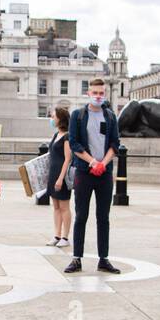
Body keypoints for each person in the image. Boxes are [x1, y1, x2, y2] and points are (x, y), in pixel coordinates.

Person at [65, 77, 120, 274]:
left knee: (103, 217)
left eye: (101, 93)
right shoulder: (78, 116)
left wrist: (103, 164)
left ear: (105, 94)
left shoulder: (111, 116)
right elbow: (74, 143)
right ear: (88, 93)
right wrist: (92, 162)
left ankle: (103, 258)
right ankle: (76, 258)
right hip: (84, 172)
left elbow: (115, 143)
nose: (98, 96)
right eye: (95, 93)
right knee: (81, 215)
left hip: (104, 173)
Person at [45, 105, 72, 247]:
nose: (51, 119)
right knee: (55, 206)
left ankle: (65, 237)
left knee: (64, 206)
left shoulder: (67, 136)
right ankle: (57, 234)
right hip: (53, 173)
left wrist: (61, 178)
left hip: (61, 175)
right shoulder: (56, 135)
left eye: (53, 116)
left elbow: (68, 158)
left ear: (60, 119)